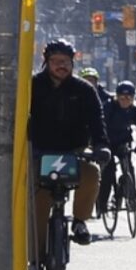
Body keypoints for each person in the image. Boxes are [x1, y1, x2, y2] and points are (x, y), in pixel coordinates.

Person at [27, 38, 110, 249]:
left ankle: (80, 222)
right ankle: (36, 255)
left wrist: (101, 145)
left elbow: (96, 120)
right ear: (46, 62)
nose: (61, 65)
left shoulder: (84, 90)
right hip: (40, 151)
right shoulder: (32, 86)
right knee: (39, 200)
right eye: (55, 61)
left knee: (92, 172)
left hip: (75, 150)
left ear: (72, 63)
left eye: (65, 61)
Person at [104, 81, 136, 211]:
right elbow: (101, 126)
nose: (125, 100)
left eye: (129, 98)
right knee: (108, 170)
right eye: (122, 98)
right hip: (108, 140)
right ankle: (102, 203)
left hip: (124, 140)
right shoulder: (109, 107)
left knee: (128, 168)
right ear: (116, 97)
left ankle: (132, 199)